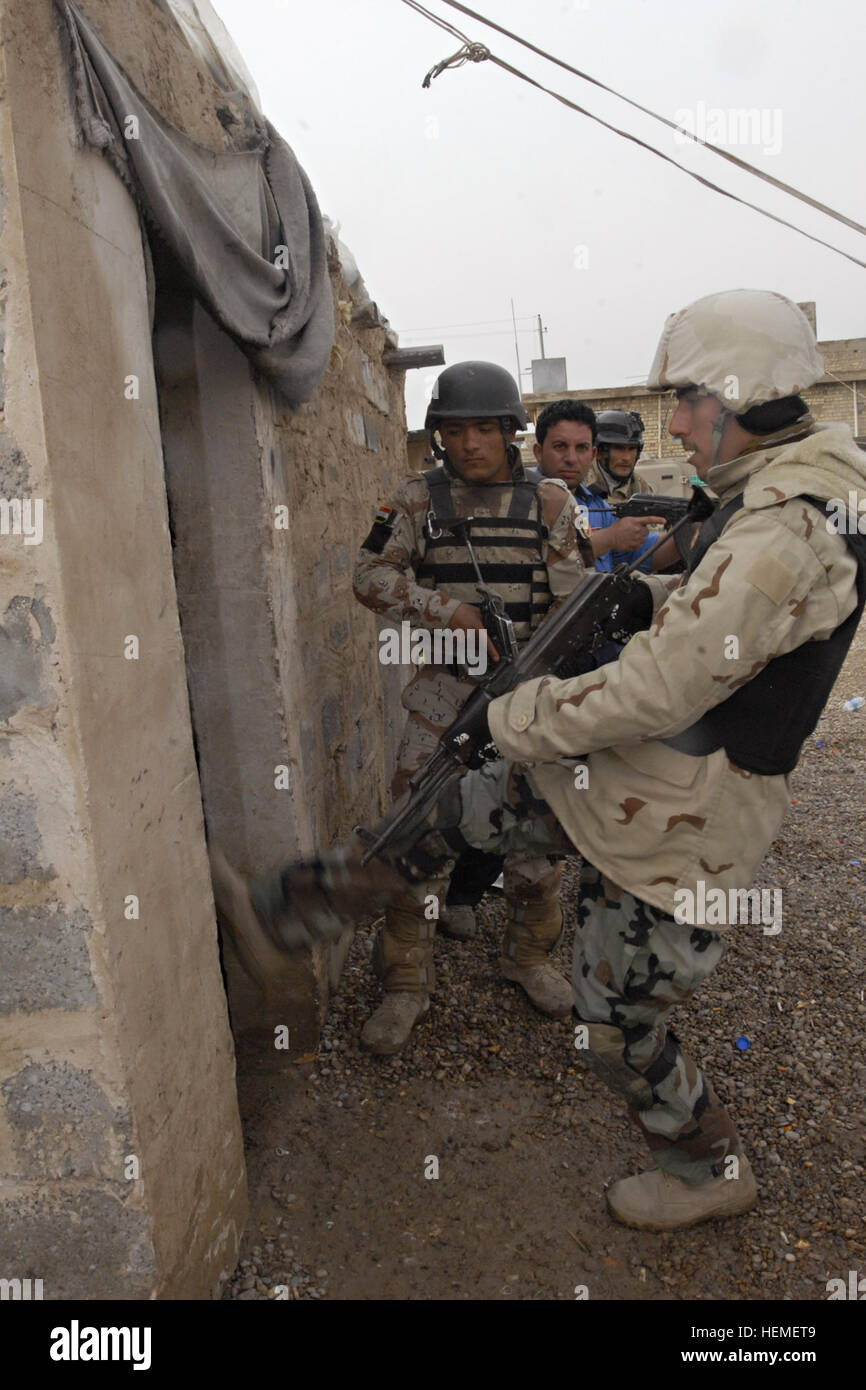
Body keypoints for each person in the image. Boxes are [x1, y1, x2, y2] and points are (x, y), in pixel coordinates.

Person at [212, 289, 866, 1229]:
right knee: (461, 801)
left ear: (743, 393)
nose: (673, 422)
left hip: (683, 810)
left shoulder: (781, 526)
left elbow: (662, 687)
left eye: (687, 399)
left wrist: (525, 714)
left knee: (615, 1011)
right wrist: (648, 600)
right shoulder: (782, 494)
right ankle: (293, 911)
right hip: (633, 771)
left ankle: (709, 1168)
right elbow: (708, 611)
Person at [345, 360, 593, 1054]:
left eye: (486, 428)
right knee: (412, 837)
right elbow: (367, 576)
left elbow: (577, 603)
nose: (473, 442)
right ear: (439, 435)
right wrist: (442, 606)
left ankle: (528, 958)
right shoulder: (415, 500)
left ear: (509, 431)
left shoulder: (549, 503)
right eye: (458, 429)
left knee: (540, 844)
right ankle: (404, 983)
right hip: (442, 700)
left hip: (528, 699)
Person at [528, 400, 677, 573]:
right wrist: (608, 538)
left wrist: (692, 533)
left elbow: (640, 555)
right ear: (538, 452)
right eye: (560, 446)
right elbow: (532, 562)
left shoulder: (595, 504)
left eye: (581, 448)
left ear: (593, 454)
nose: (571, 458)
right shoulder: (522, 502)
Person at [585, 409, 653, 503]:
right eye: (619, 448)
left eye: (632, 449)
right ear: (599, 452)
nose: (627, 458)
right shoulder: (581, 483)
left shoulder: (640, 487)